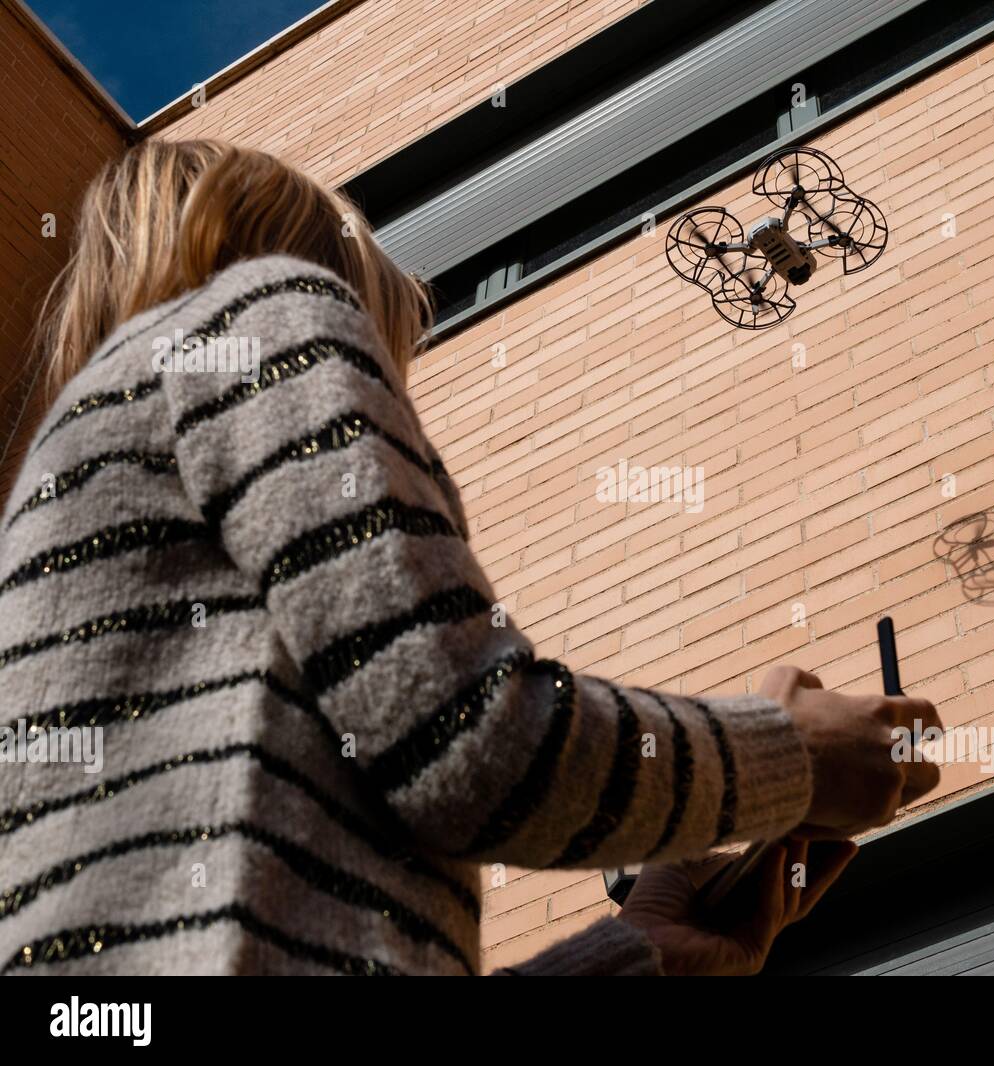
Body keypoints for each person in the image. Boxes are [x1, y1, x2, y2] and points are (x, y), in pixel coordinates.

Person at [0, 140, 940, 976]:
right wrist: (786, 753)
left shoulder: (72, 518)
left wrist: (647, 956)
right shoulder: (267, 308)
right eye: (379, 364)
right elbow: (464, 741)